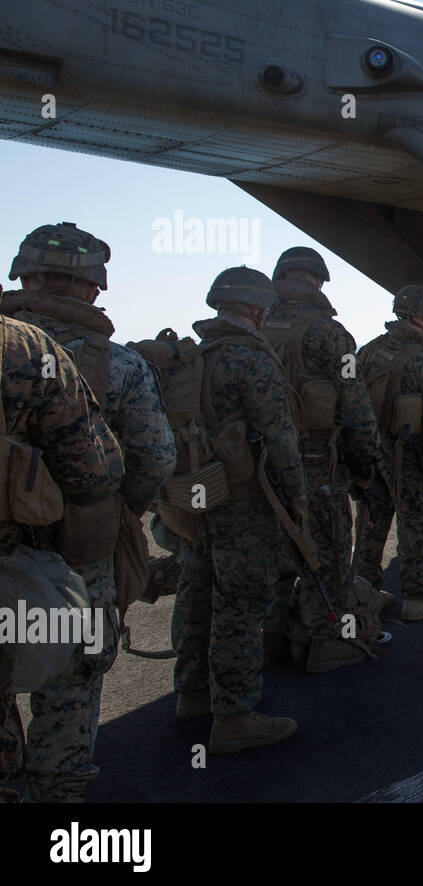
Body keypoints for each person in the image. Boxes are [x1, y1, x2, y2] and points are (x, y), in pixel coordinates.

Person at [0, 222, 175, 801]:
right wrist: (124, 514)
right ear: (93, 288)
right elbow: (153, 457)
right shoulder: (116, 364)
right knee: (72, 676)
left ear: (22, 274)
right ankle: (56, 792)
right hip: (77, 553)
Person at [171, 267, 306, 754]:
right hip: (245, 500)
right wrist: (297, 498)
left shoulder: (193, 357)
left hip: (198, 495)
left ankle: (191, 691)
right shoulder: (251, 359)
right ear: (256, 309)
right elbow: (280, 437)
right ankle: (234, 716)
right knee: (242, 603)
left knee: (198, 588)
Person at [0, 305, 124, 802]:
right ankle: (56, 791)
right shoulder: (26, 349)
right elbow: (93, 473)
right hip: (23, 559)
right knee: (76, 657)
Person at [262, 247, 384, 671]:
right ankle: (327, 642)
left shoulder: (254, 324)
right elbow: (357, 410)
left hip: (258, 469)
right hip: (316, 465)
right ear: (318, 281)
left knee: (273, 558)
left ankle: (271, 641)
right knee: (327, 555)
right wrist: (365, 468)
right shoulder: (328, 333)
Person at [352, 285, 423, 620]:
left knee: (371, 522)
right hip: (409, 457)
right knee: (418, 525)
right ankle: (415, 598)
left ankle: (363, 593)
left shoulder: (369, 351)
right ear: (422, 317)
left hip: (370, 453)